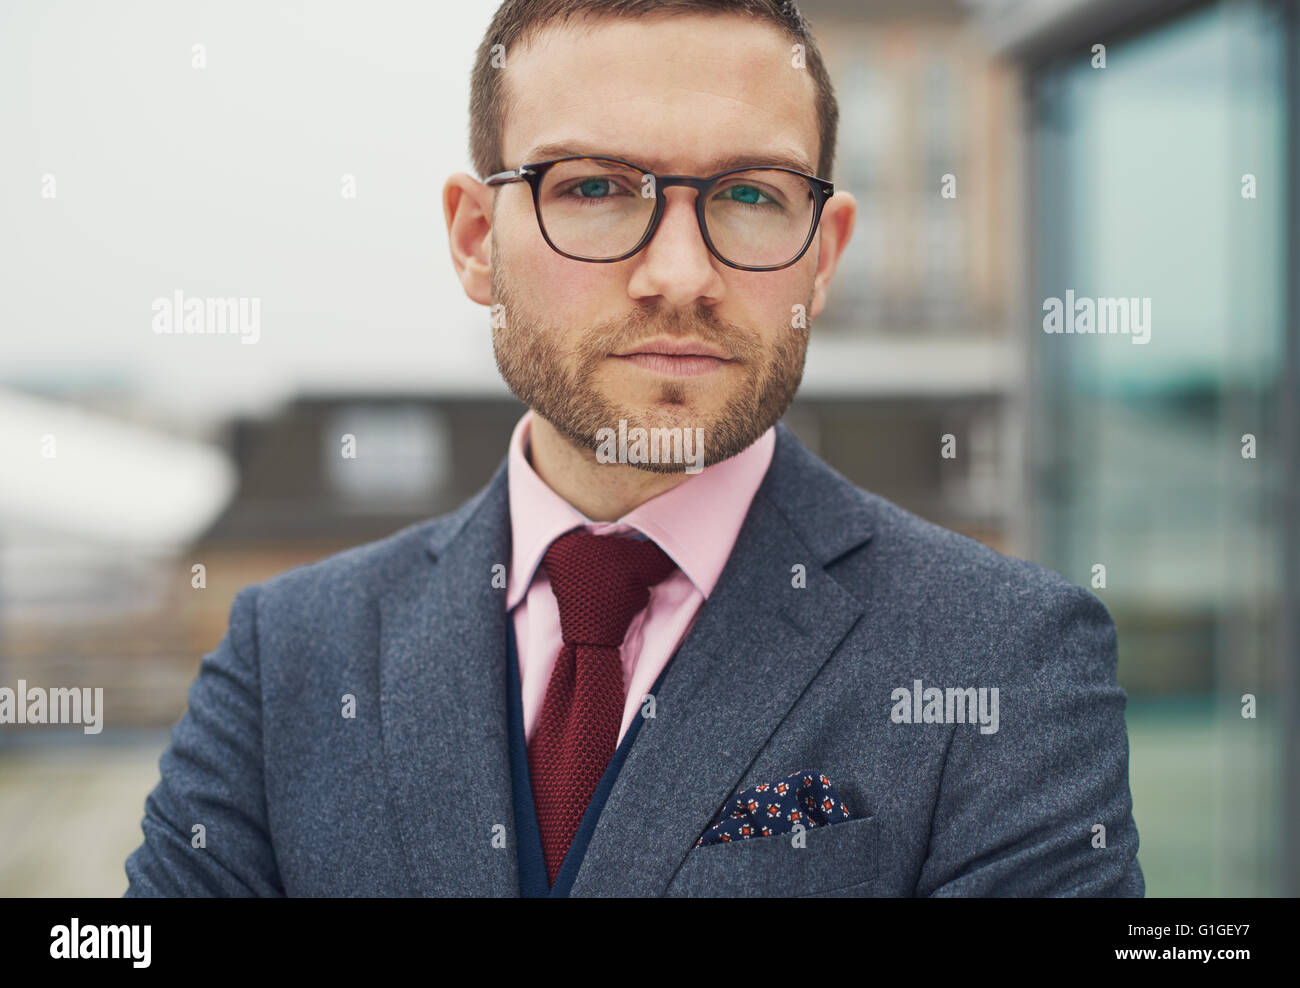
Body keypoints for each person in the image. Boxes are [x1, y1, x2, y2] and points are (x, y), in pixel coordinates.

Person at [125, 0, 1143, 897]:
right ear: (476, 240)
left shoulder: (1005, 659)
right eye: (595, 187)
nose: (678, 274)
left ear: (822, 257)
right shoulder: (288, 657)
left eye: (749, 194)